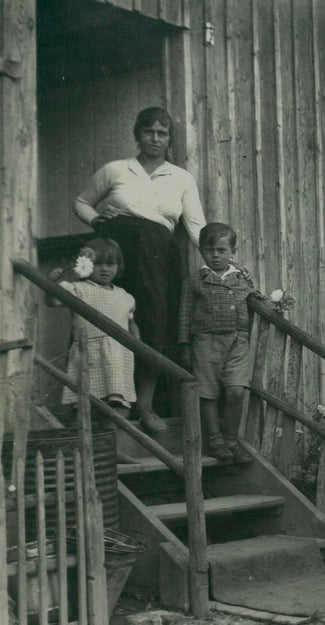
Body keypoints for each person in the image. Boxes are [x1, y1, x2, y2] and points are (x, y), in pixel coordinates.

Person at [73, 107, 206, 433]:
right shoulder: (116, 170)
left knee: (152, 328)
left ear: (170, 139)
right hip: (115, 254)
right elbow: (81, 201)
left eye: (162, 133)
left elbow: (197, 226)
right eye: (149, 132)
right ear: (137, 135)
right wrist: (95, 220)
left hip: (158, 259)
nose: (155, 139)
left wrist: (222, 266)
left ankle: (144, 406)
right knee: (107, 324)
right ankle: (107, 407)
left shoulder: (181, 177)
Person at [179, 223, 255, 464]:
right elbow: (185, 312)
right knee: (208, 392)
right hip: (205, 341)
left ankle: (232, 440)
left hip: (237, 340)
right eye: (210, 250)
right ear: (201, 251)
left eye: (222, 250)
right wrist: (184, 343)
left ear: (232, 251)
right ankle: (215, 440)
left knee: (236, 391)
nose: (215, 255)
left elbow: (253, 297)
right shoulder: (195, 280)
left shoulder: (241, 278)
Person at [47, 239, 137, 428]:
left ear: (118, 266)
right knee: (84, 403)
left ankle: (110, 446)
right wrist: (54, 280)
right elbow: (53, 301)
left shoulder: (125, 296)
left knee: (118, 404)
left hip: (118, 356)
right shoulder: (77, 289)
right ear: (86, 265)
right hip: (89, 353)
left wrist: (136, 345)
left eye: (110, 264)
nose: (104, 269)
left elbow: (131, 323)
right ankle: (85, 446)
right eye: (97, 264)